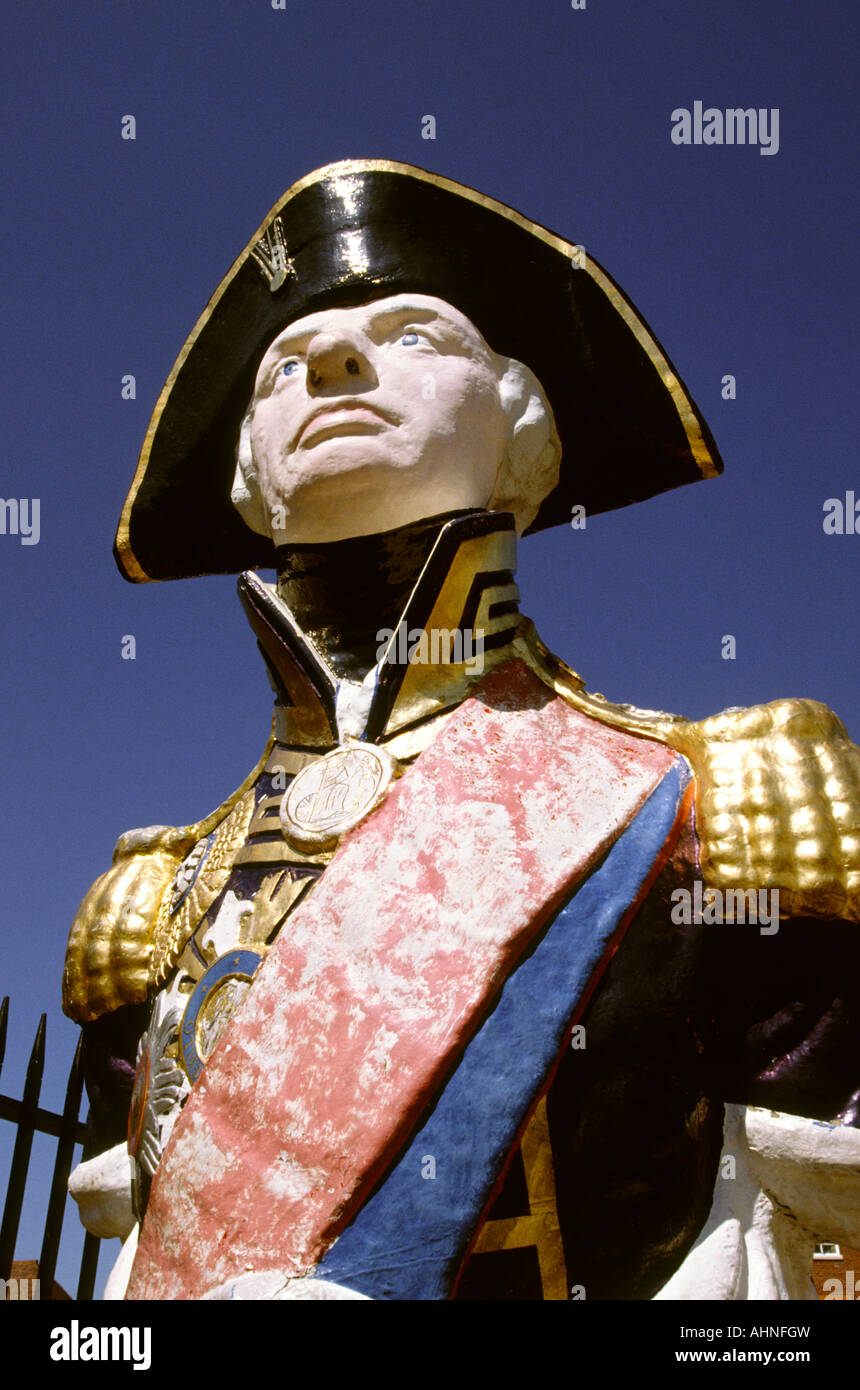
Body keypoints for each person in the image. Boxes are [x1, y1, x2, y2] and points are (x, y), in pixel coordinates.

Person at [63, 159, 860, 1301]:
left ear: (524, 423)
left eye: (412, 336)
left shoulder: (723, 803)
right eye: (284, 366)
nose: (332, 363)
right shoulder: (150, 903)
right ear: (249, 474)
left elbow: (811, 1237)